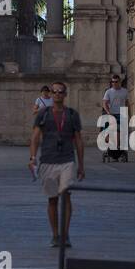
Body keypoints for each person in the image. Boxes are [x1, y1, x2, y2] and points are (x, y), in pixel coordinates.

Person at [28, 83, 85, 247]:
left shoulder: (72, 114)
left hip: (67, 159)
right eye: (55, 92)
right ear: (51, 94)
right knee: (52, 200)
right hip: (48, 160)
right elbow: (35, 137)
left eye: (61, 92)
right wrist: (33, 158)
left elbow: (79, 140)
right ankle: (55, 235)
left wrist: (81, 165)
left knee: (66, 196)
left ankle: (65, 235)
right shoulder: (43, 114)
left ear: (65, 94)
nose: (58, 94)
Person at [102, 74, 130, 162]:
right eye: (112, 82)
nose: (114, 83)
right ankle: (111, 148)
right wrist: (108, 112)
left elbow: (127, 103)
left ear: (119, 82)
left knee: (120, 133)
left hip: (122, 114)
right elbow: (104, 103)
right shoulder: (109, 92)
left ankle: (118, 150)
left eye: (116, 82)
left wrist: (130, 115)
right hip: (111, 114)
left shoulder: (124, 91)